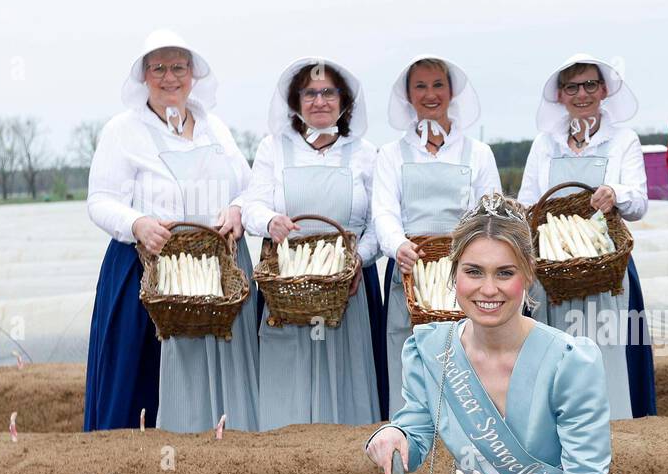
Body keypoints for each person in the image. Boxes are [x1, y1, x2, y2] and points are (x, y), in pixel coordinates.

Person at [364, 194, 646, 474]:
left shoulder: (572, 360)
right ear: (453, 273)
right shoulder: (430, 350)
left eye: (505, 273)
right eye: (473, 272)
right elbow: (415, 435)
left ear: (528, 276)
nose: (488, 289)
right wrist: (391, 435)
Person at [85, 29, 258, 432]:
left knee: (208, 362)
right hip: (145, 270)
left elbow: (249, 187)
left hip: (212, 273)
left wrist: (237, 209)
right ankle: (136, 455)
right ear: (143, 76)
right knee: (141, 377)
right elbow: (99, 200)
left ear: (193, 74)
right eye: (158, 67)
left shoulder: (214, 127)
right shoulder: (122, 130)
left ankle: (213, 437)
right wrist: (137, 223)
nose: (169, 77)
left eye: (178, 66)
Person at [239, 57, 380, 429]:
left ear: (344, 100)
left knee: (346, 376)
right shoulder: (275, 149)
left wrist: (359, 261)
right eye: (310, 93)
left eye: (328, 92)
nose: (319, 101)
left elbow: (379, 222)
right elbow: (251, 205)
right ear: (295, 101)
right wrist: (270, 221)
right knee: (288, 375)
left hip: (346, 286)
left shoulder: (365, 153)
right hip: (287, 283)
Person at [517, 53, 657, 419]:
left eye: (590, 85)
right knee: (556, 359)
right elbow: (527, 204)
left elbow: (640, 203)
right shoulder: (545, 144)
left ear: (604, 90)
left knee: (606, 352)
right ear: (560, 95)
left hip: (605, 269)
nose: (582, 94)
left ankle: (616, 424)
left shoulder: (623, 140)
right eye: (572, 86)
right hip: (551, 274)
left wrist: (615, 193)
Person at [371, 55, 501, 416]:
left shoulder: (478, 153)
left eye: (438, 85)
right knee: (409, 351)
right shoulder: (391, 154)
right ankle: (412, 435)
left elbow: (490, 212)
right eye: (421, 86)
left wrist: (474, 258)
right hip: (411, 273)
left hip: (465, 273)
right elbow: (383, 210)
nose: (431, 95)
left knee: (468, 352)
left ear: (452, 91)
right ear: (408, 95)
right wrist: (398, 245)